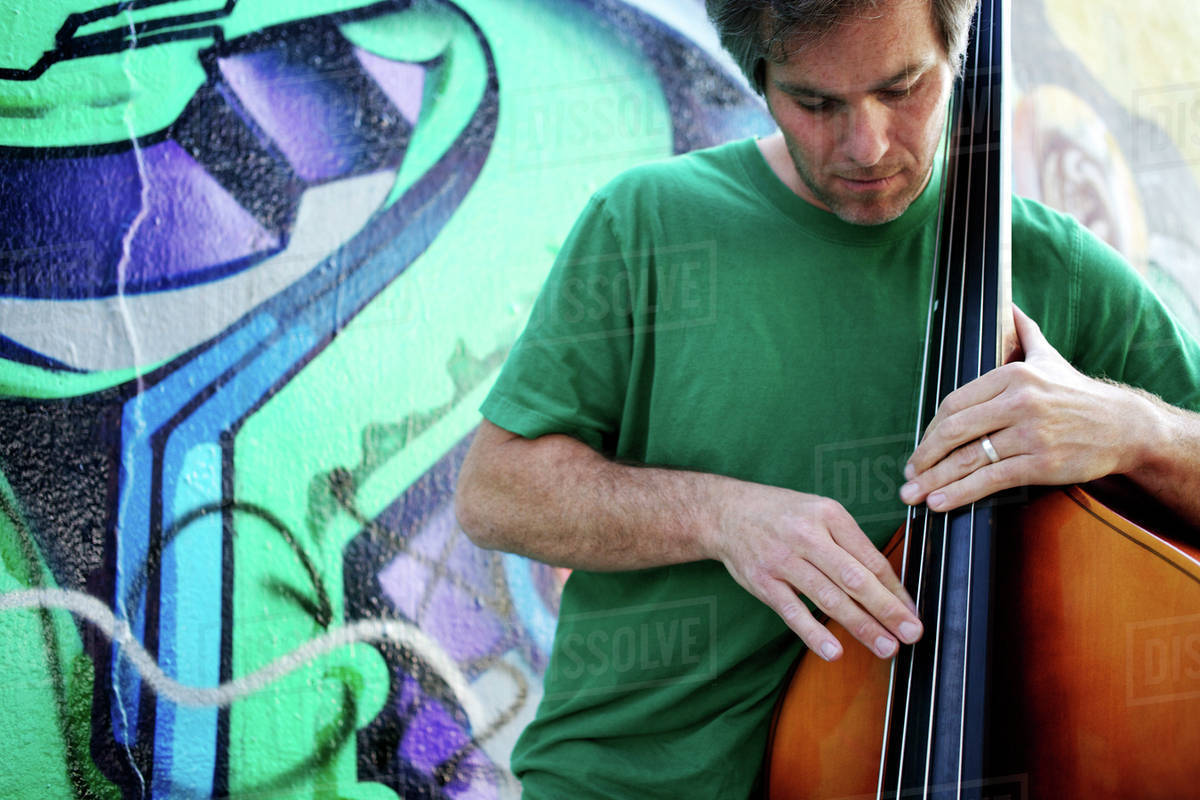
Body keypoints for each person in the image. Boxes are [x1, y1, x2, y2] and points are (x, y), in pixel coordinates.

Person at [454, 0, 1200, 796]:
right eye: (816, 103)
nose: (867, 144)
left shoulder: (1062, 271)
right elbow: (494, 493)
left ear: (955, 57)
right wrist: (721, 517)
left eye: (903, 88)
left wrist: (1136, 428)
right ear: (761, 80)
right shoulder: (648, 223)